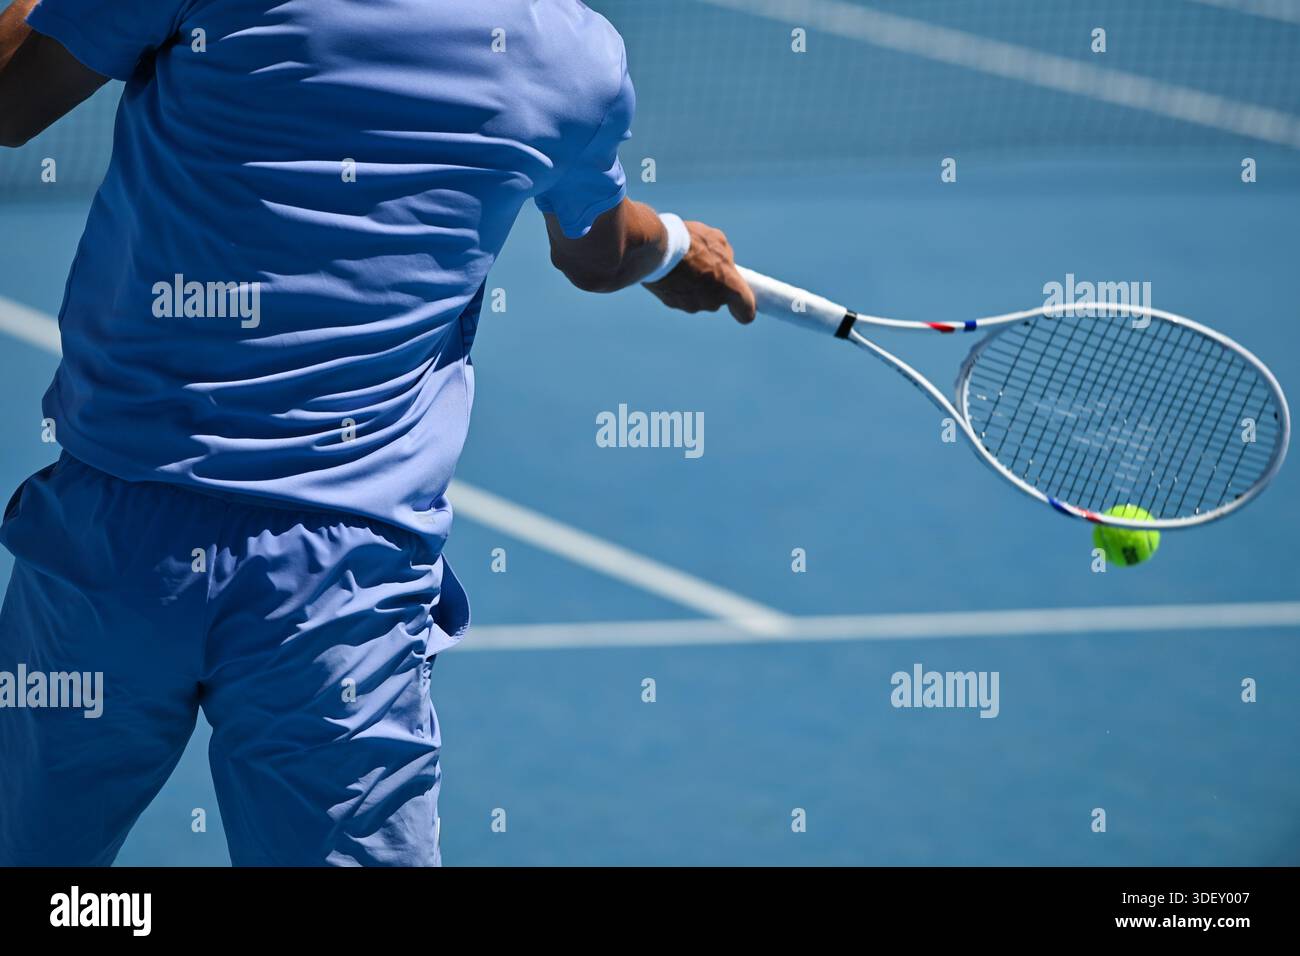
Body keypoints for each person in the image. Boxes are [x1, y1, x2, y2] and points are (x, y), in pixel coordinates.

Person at [0, 0, 755, 866]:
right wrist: (673, 249)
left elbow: (9, 102)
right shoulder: (568, 54)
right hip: (341, 595)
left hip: (111, 548)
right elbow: (600, 252)